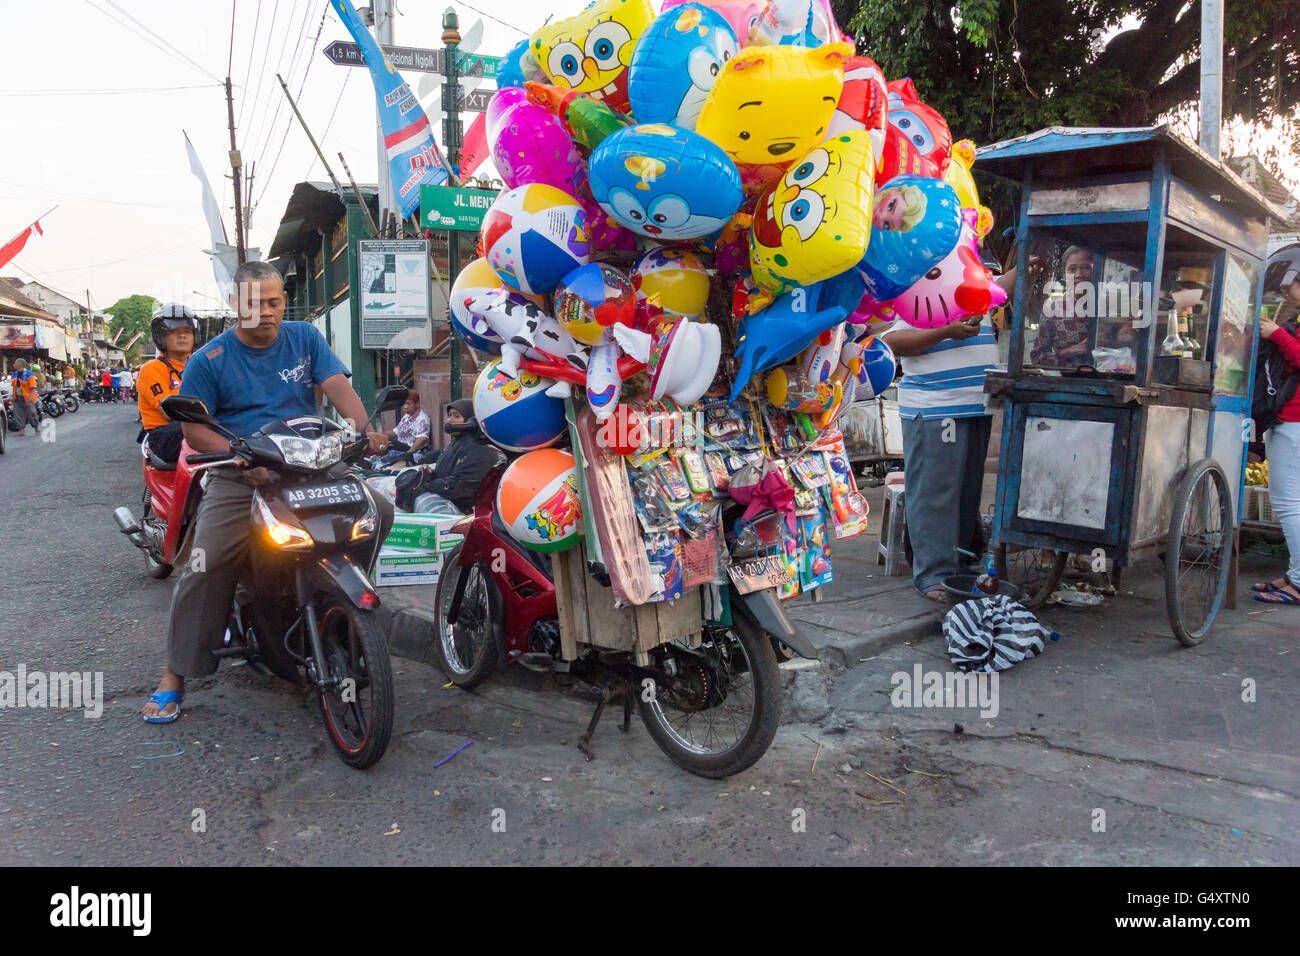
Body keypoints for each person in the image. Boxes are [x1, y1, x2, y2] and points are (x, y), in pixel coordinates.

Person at [141, 261, 389, 722]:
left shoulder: (305, 338)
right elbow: (195, 432)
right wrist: (237, 455)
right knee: (208, 560)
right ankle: (175, 673)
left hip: (309, 463)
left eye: (275, 302)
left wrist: (365, 428)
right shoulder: (209, 359)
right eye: (256, 304)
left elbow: (335, 385)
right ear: (235, 305)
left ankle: (341, 604)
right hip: (242, 472)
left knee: (379, 510)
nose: (268, 312)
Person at [879, 267, 1024, 601]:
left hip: (975, 404)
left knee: (965, 494)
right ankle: (933, 574)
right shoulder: (920, 282)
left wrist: (1027, 260)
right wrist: (946, 332)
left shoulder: (974, 280)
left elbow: (997, 288)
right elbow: (891, 341)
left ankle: (958, 566)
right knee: (936, 493)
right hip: (935, 405)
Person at [1253, 248, 1300, 606]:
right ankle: (1294, 573)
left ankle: (1298, 581)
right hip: (1287, 420)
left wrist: (1277, 335)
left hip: (1295, 423)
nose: (1285, 291)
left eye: (1291, 283)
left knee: (1286, 503)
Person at [397, 399, 504, 513]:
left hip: (465, 511)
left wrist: (427, 486)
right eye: (449, 416)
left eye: (457, 416)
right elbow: (448, 472)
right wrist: (431, 474)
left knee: (423, 501)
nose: (450, 420)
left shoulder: (479, 449)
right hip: (448, 499)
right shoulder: (456, 443)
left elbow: (459, 485)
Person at [135, 303, 199, 463]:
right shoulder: (151, 369)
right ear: (161, 337)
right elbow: (168, 413)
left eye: (187, 331)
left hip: (195, 427)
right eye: (174, 332)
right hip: (164, 435)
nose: (182, 336)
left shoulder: (200, 364)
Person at [374, 390, 431, 466]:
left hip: (410, 449)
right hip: (401, 446)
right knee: (382, 441)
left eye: (408, 403)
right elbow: (395, 432)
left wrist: (408, 453)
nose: (405, 406)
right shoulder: (406, 416)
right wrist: (378, 435)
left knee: (388, 442)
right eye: (403, 403)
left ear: (417, 403)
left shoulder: (422, 418)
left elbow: (422, 439)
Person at [9, 358, 42, 437]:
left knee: (32, 414)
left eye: (15, 363)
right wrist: (13, 396)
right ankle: (21, 430)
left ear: (20, 364)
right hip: (18, 397)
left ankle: (36, 427)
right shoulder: (15, 374)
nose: (14, 365)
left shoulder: (29, 374)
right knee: (18, 414)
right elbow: (14, 387)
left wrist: (31, 396)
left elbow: (33, 387)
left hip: (27, 398)